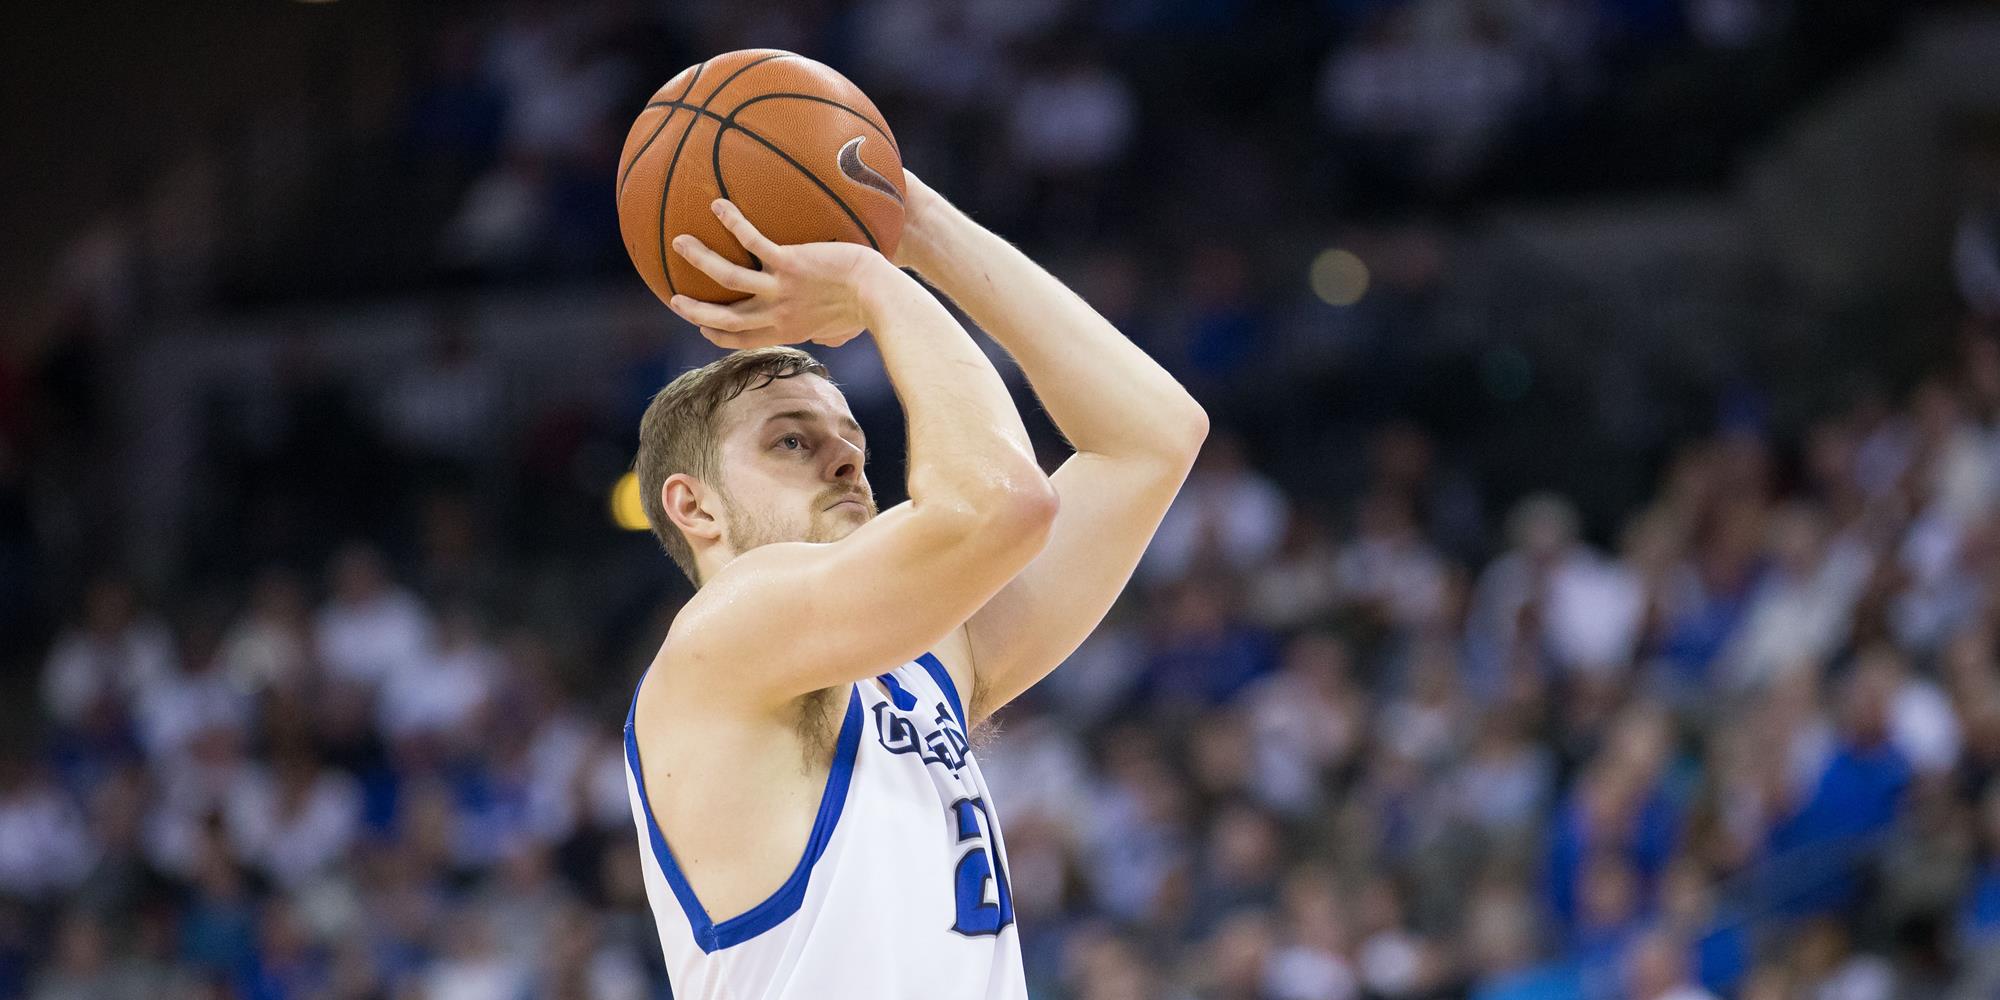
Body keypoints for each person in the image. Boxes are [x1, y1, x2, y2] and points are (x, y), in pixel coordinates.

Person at [621, 173, 1209, 998]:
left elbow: (1152, 437)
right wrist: (873, 281)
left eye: (853, 437)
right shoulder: (720, 638)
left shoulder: (930, 654)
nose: (847, 458)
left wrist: (914, 222)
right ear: (696, 507)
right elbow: (1003, 501)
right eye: (791, 442)